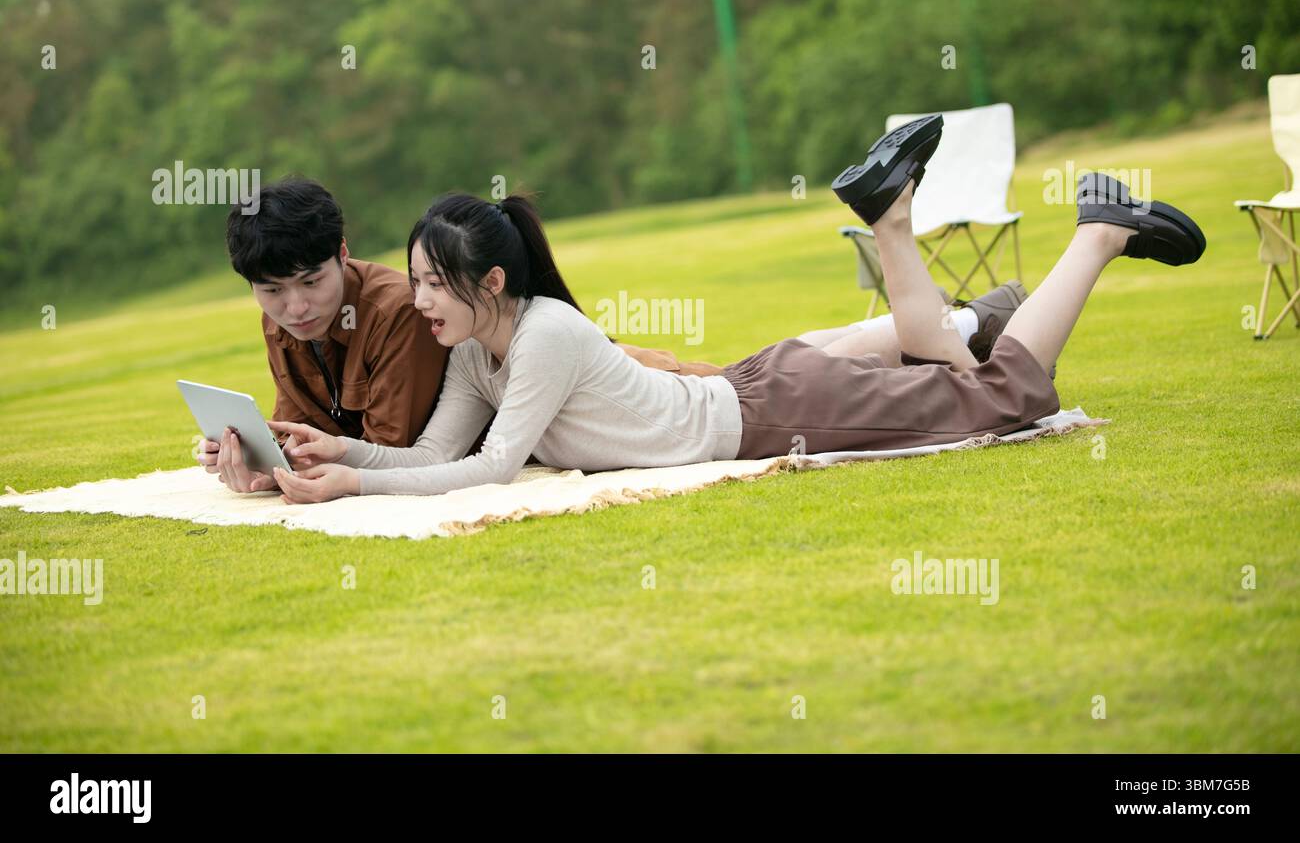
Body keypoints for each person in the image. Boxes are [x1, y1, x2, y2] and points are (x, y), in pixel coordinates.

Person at [265, 117, 1205, 504]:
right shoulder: (479, 355)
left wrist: (351, 487)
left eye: (433, 282)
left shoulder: (544, 334)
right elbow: (436, 458)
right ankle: (988, 305)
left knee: (1008, 400)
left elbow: (495, 469)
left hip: (774, 414)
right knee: (950, 361)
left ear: (491, 285)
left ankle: (1093, 233)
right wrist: (340, 452)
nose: (416, 296)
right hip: (757, 388)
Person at [198, 176, 1022, 493]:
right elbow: (392, 446)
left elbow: (469, 463)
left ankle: (1008, 288)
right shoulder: (464, 341)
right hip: (700, 397)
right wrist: (302, 454)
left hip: (709, 403)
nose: (295, 307)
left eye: (309, 283)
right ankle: (976, 318)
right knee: (805, 357)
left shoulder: (437, 324)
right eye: (273, 293)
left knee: (983, 398)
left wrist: (344, 474)